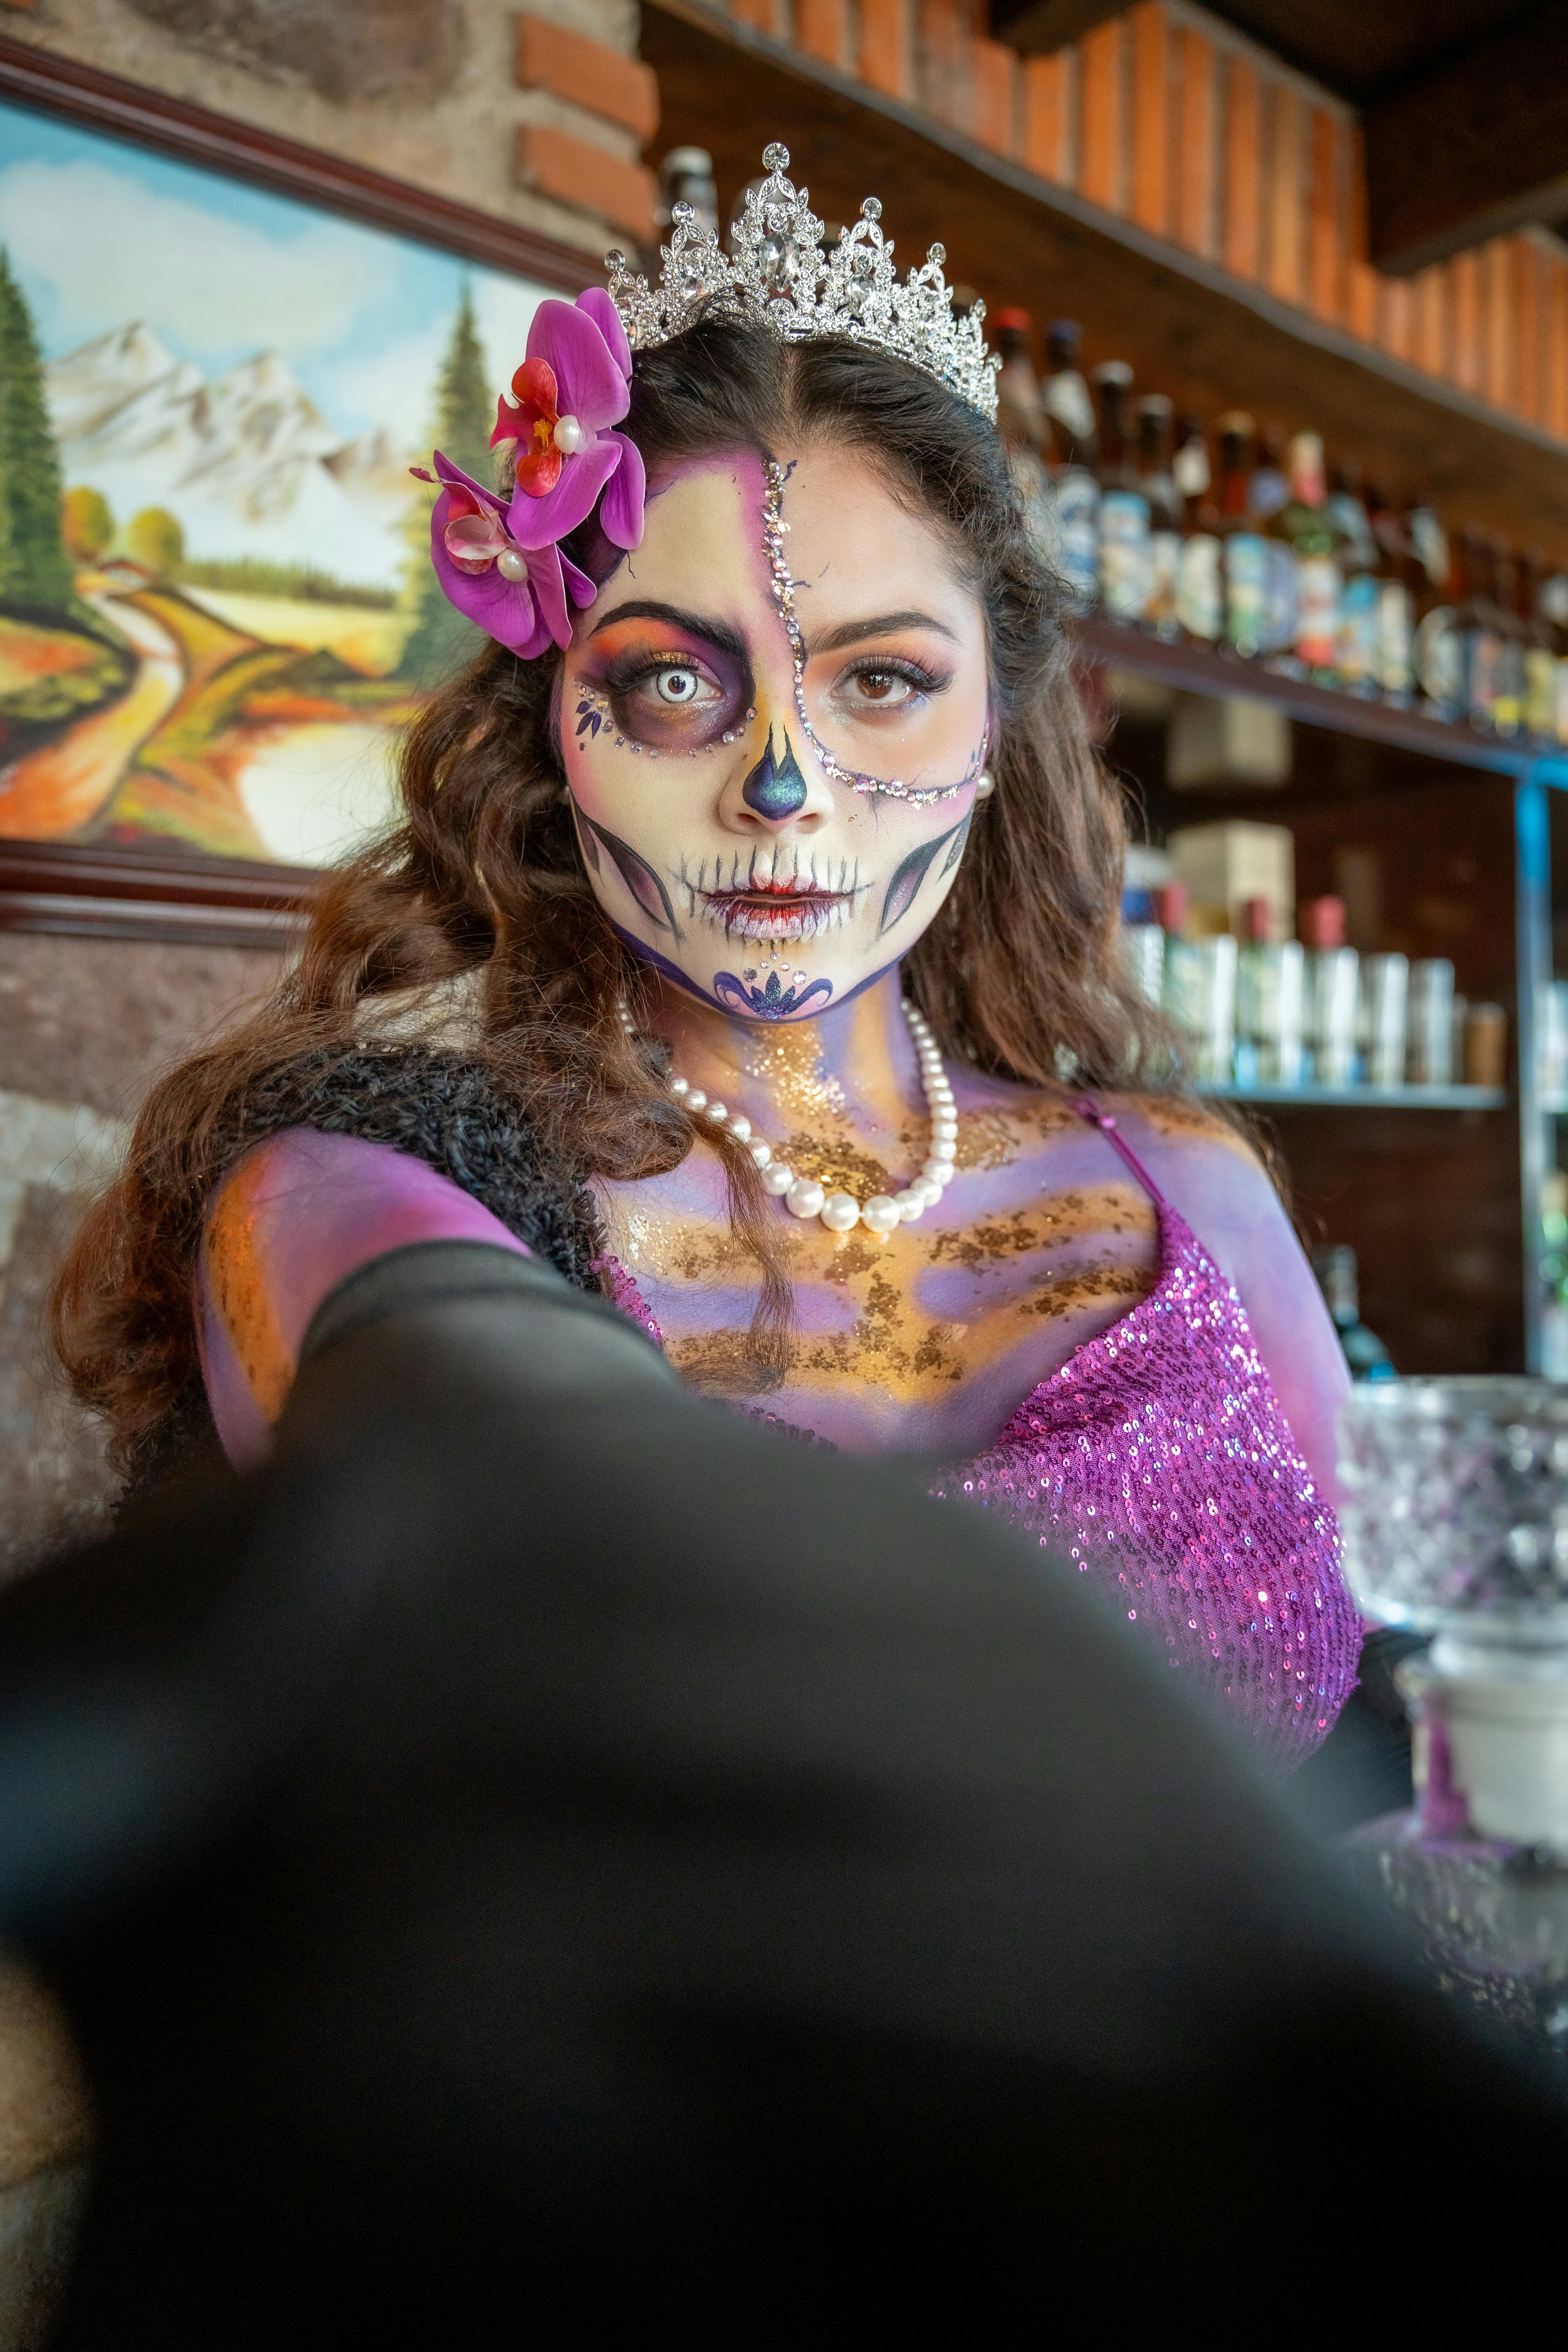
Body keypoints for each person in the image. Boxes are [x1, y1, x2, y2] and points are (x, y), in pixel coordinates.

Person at [51, 147, 1355, 1767]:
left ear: (997, 734)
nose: (783, 786)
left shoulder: (1195, 1193)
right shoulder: (359, 1191)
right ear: (552, 733)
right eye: (672, 685)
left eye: (882, 681)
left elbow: (1406, 1722)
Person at [6, 1236, 1561, 2345]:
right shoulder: (431, 1172)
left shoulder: (1184, 1168)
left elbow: (1382, 1621)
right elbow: (434, 1378)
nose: (784, 843)